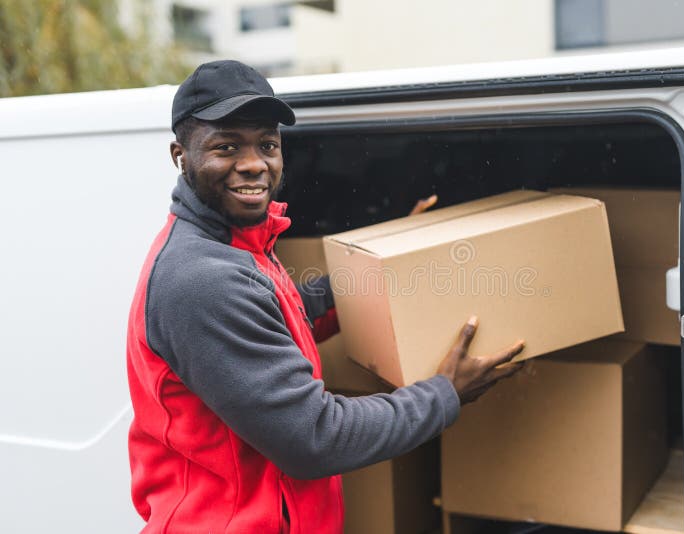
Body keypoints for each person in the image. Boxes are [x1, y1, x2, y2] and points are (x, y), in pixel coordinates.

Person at [126, 59, 525, 534]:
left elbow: (288, 314)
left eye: (267, 145)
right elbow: (314, 436)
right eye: (226, 146)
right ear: (181, 155)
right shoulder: (202, 277)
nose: (254, 163)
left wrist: (392, 250)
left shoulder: (237, 248)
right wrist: (444, 394)